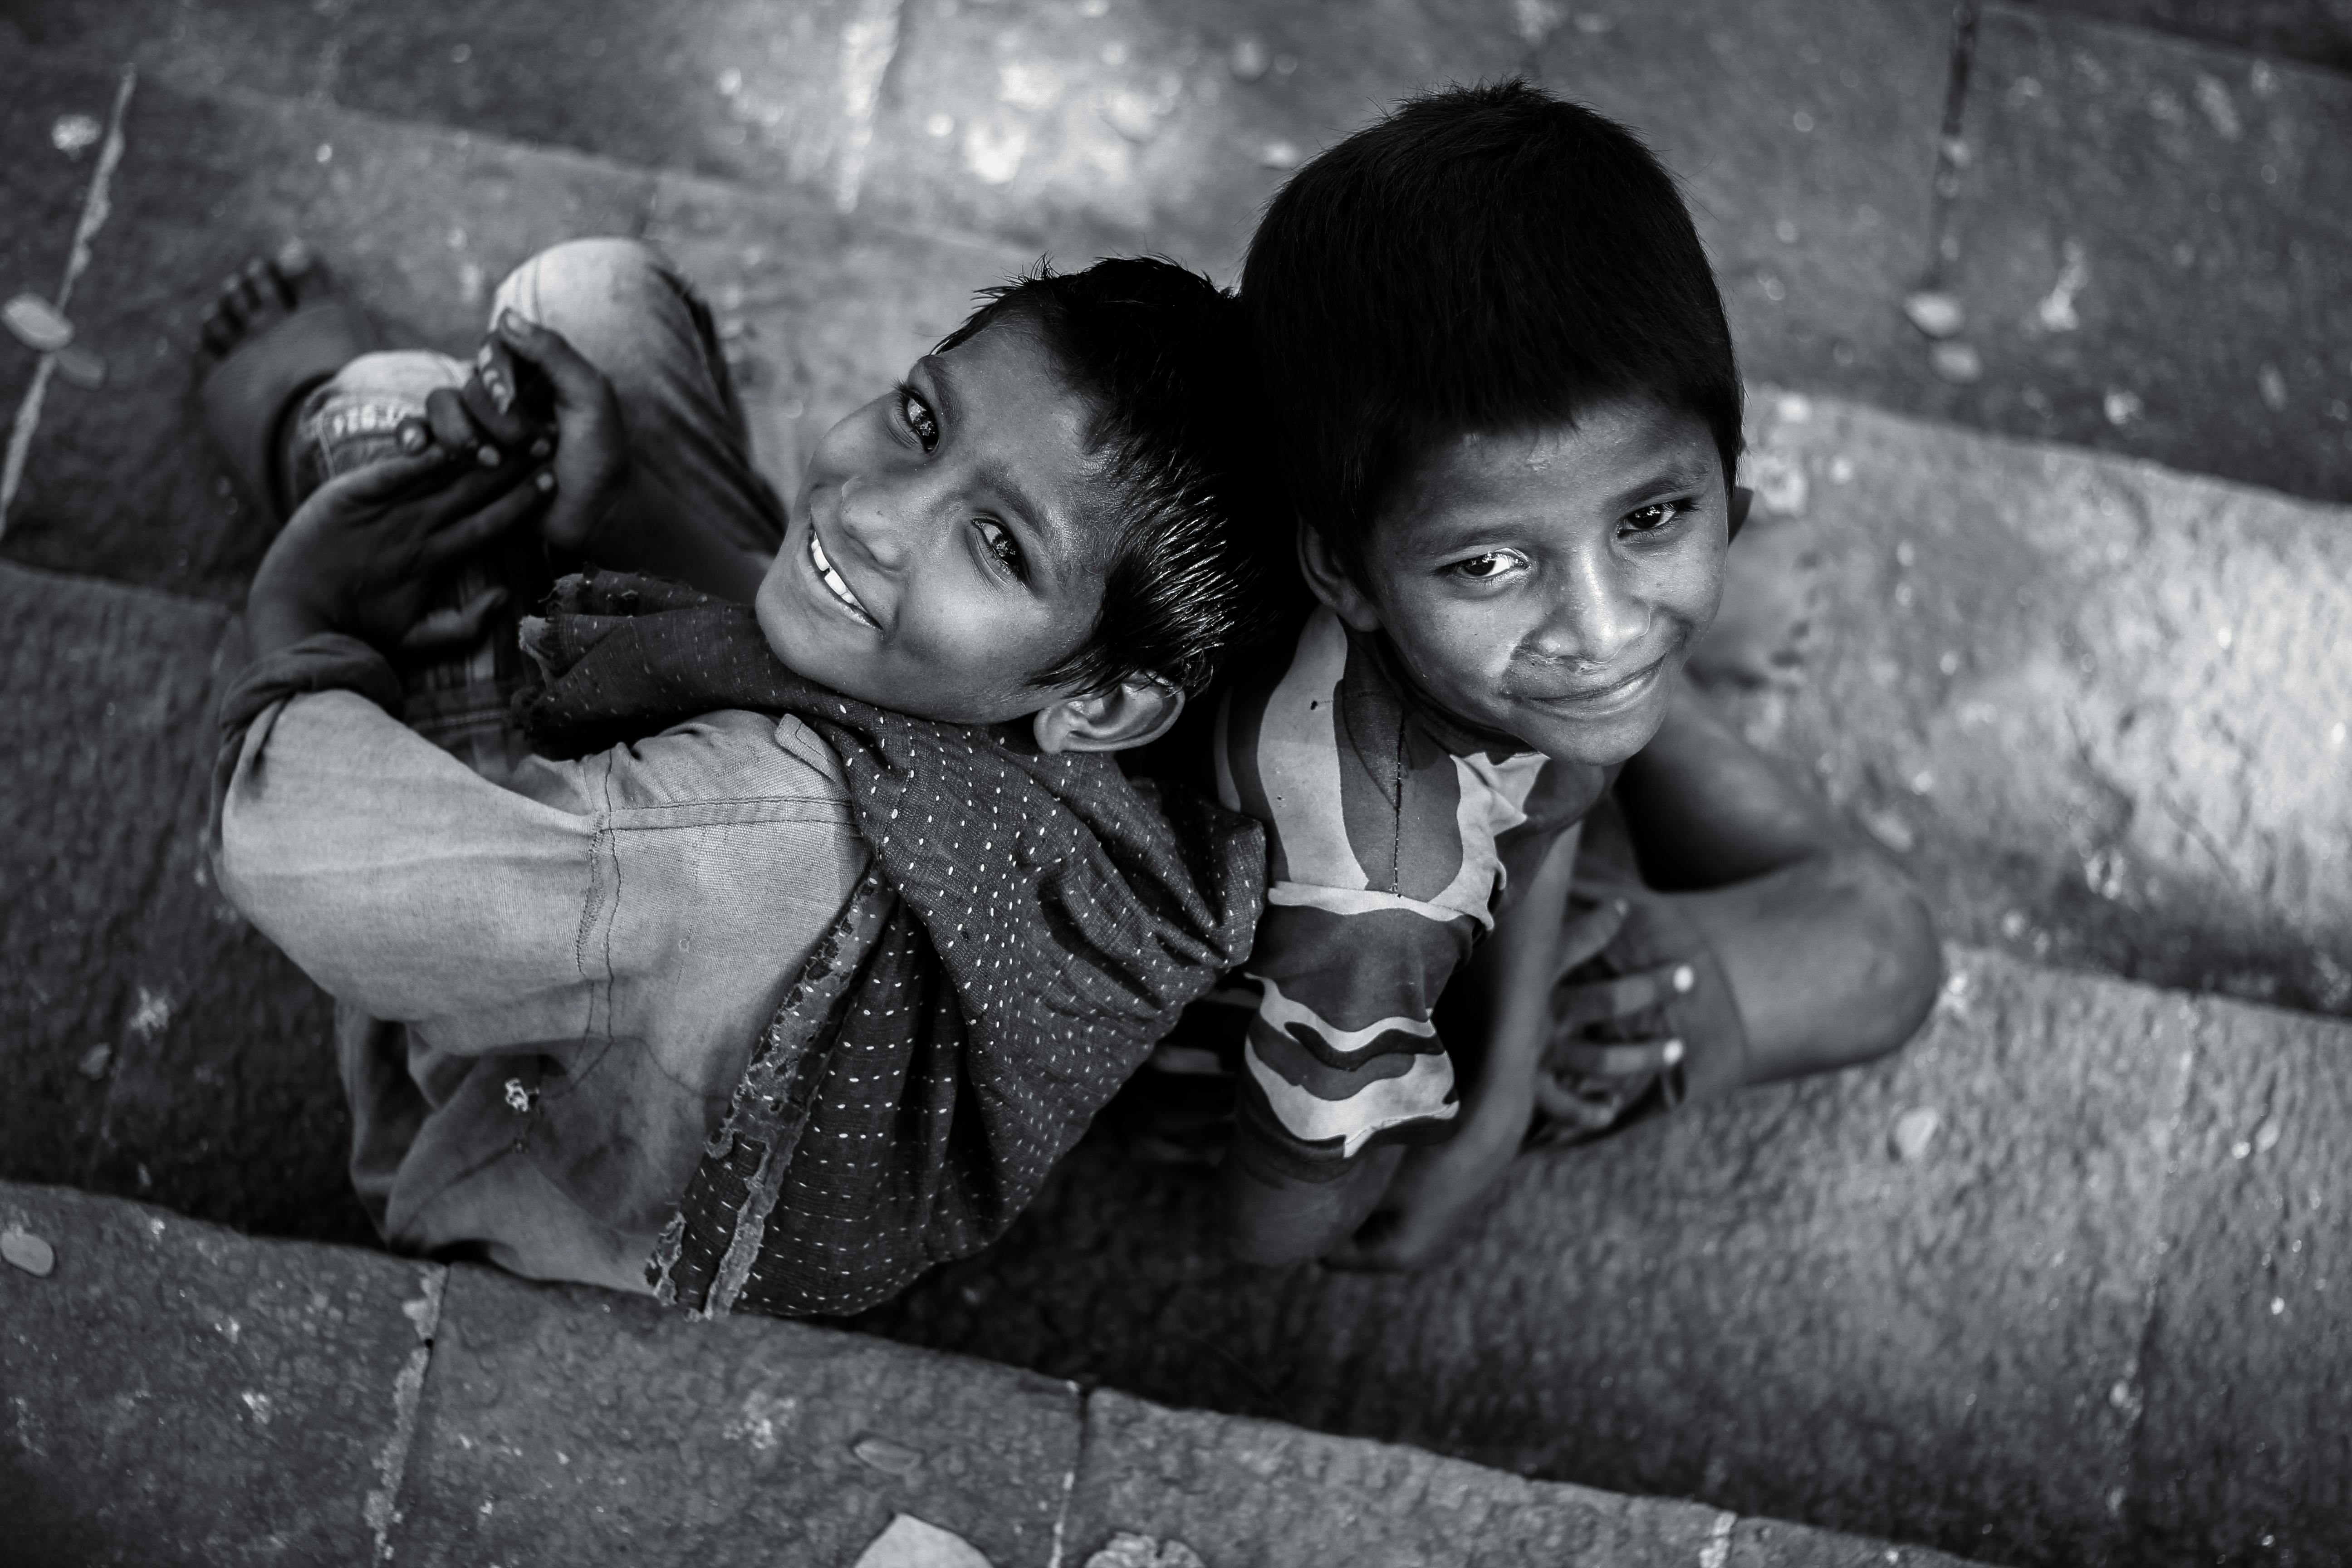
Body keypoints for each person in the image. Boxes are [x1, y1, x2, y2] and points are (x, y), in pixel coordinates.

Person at [200, 238, 1279, 1313]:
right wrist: (622, 509)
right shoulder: (1104, 772)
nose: (871, 513)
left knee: (397, 416)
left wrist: (295, 616)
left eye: (998, 546)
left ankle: (300, 425)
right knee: (587, 300)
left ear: (1101, 706)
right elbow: (847, 693)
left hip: (544, 1148)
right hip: (753, 878)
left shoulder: (730, 840)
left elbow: (295, 853)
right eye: (922, 420)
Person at [1195, 82, 1944, 1268]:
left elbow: (1547, 792)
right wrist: (1447, 1136)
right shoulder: (1372, 902)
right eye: (1488, 559)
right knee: (1880, 952)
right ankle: (1683, 648)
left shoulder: (1487, 623)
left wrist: (1496, 1108)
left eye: (1654, 513)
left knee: (1575, 693)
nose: (1597, 624)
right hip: (1319, 1003)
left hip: (1470, 737)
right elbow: (1266, 1233)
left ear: (1727, 480)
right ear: (1337, 567)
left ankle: (1649, 624)